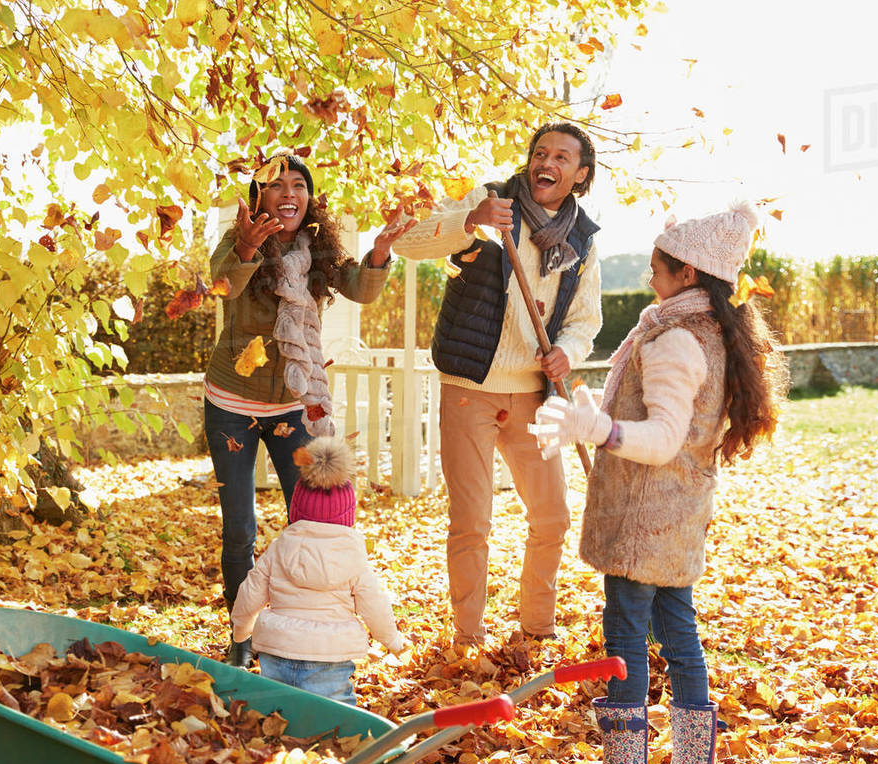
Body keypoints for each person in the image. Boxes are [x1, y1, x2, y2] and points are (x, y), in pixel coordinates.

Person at [529, 202, 786, 764]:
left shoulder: (675, 342)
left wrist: (599, 431)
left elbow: (665, 439)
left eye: (657, 268)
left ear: (688, 275)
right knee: (679, 634)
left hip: (644, 517)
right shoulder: (711, 335)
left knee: (624, 639)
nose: (649, 278)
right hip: (678, 514)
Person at [391, 122, 603, 646]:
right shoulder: (492, 202)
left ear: (579, 175)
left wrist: (565, 352)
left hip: (534, 393)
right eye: (540, 152)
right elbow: (410, 243)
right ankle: (468, 638)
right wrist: (471, 219)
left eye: (561, 157)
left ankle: (536, 629)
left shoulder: (582, 240)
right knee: (472, 520)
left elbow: (585, 320)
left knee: (552, 516)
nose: (545, 163)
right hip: (470, 387)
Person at [205, 154, 415, 666]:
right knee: (240, 527)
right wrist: (249, 246)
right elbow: (225, 283)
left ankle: (309, 625)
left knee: (315, 521)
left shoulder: (318, 250)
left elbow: (361, 288)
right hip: (231, 403)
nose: (288, 193)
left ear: (308, 198)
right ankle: (241, 636)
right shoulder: (234, 244)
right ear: (259, 199)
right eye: (276, 185)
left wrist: (380, 254)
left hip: (293, 406)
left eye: (298, 184)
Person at [230, 437, 408, 703]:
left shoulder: (280, 548)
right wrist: (392, 640)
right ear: (347, 514)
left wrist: (241, 631)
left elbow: (250, 592)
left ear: (296, 509)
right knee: (335, 716)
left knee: (275, 710)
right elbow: (374, 603)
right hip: (329, 657)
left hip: (278, 651)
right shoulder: (353, 557)